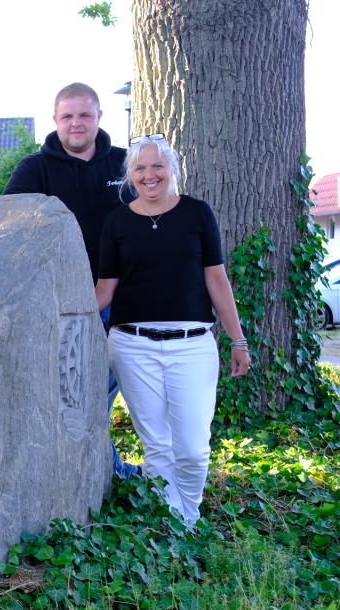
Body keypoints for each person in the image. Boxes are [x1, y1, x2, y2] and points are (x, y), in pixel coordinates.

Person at [95, 134, 250, 524]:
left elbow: (217, 280)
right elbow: (104, 290)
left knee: (194, 448)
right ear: (131, 175)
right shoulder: (115, 222)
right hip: (132, 347)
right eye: (140, 168)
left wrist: (238, 340)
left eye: (157, 166)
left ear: (172, 170)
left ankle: (189, 517)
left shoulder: (197, 214)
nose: (149, 175)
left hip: (192, 345)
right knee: (158, 447)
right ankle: (175, 529)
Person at [4, 82, 141, 479]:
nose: (76, 123)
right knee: (78, 392)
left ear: (99, 117)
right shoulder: (35, 169)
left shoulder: (126, 164)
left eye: (85, 115)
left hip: (125, 298)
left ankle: (102, 468)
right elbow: (11, 227)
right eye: (68, 116)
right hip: (65, 302)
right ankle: (97, 470)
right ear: (55, 120)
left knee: (110, 388)